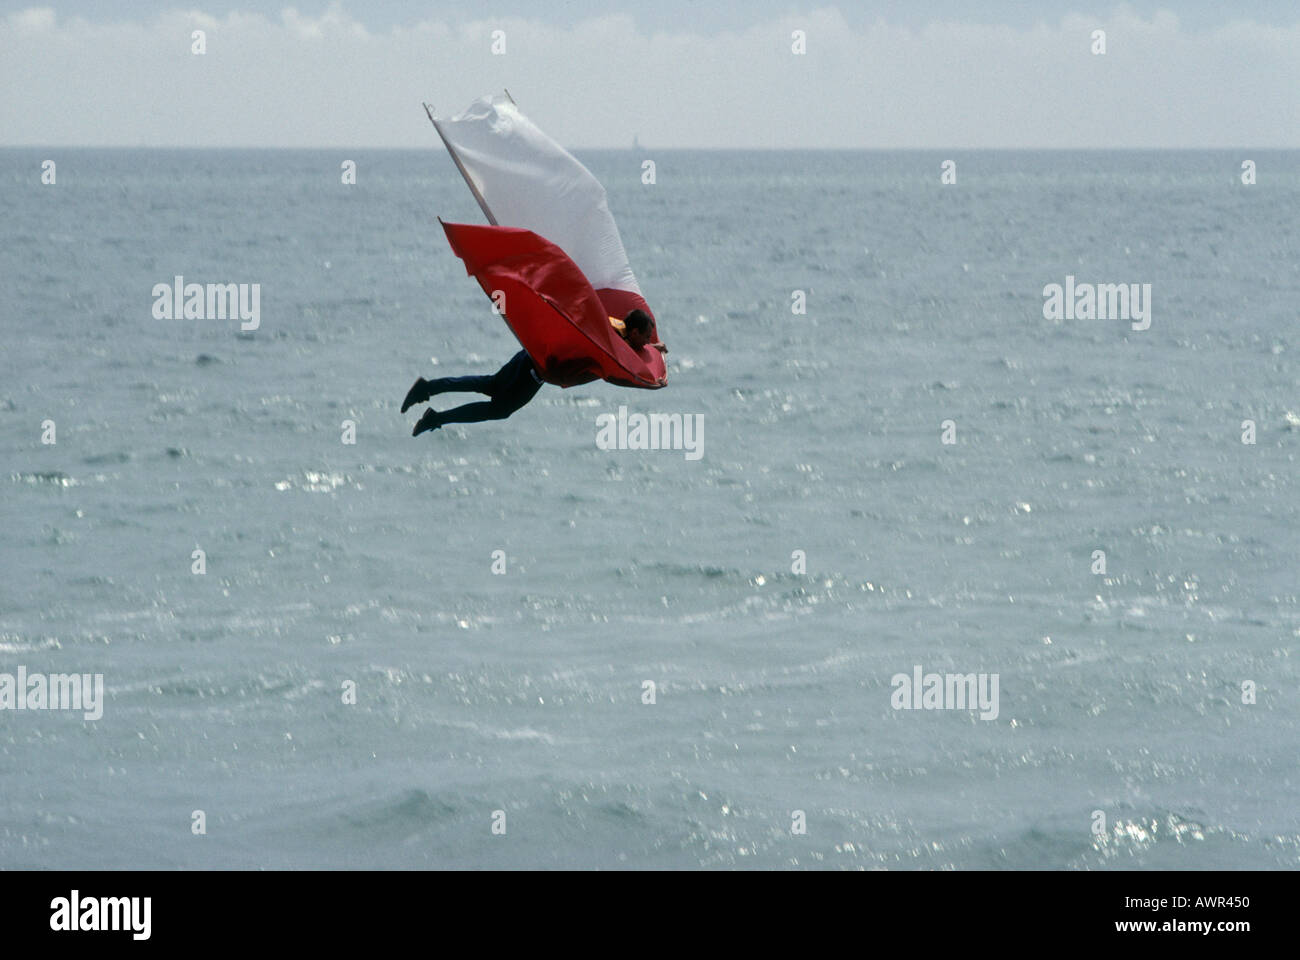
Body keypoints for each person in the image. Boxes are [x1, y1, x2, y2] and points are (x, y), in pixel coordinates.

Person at [404, 310, 666, 436]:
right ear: (633, 332)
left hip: (533, 357)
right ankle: (433, 416)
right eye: (645, 335)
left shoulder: (616, 325)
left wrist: (652, 346)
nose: (645, 340)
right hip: (536, 368)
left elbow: (626, 349)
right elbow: (624, 363)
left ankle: (428, 391)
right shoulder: (614, 341)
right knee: (499, 407)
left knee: (491, 385)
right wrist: (652, 368)